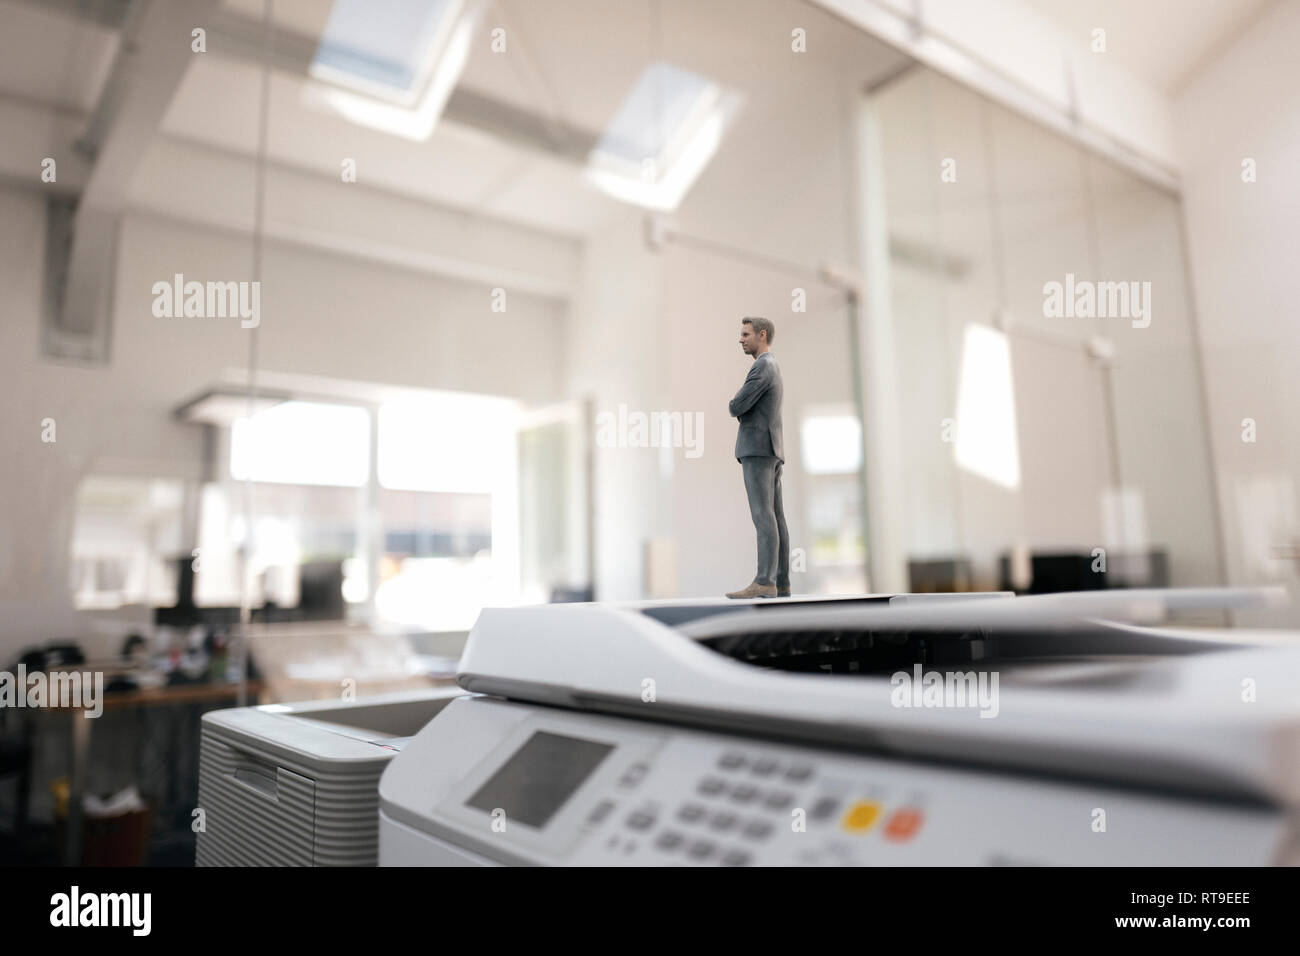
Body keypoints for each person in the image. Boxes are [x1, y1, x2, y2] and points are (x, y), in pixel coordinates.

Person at [725, 316, 790, 599]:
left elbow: (736, 405)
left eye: (745, 334)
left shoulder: (762, 366)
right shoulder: (772, 366)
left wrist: (736, 406)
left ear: (762, 335)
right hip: (771, 448)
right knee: (775, 516)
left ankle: (764, 581)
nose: (740, 339)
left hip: (757, 448)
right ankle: (781, 581)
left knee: (763, 515)